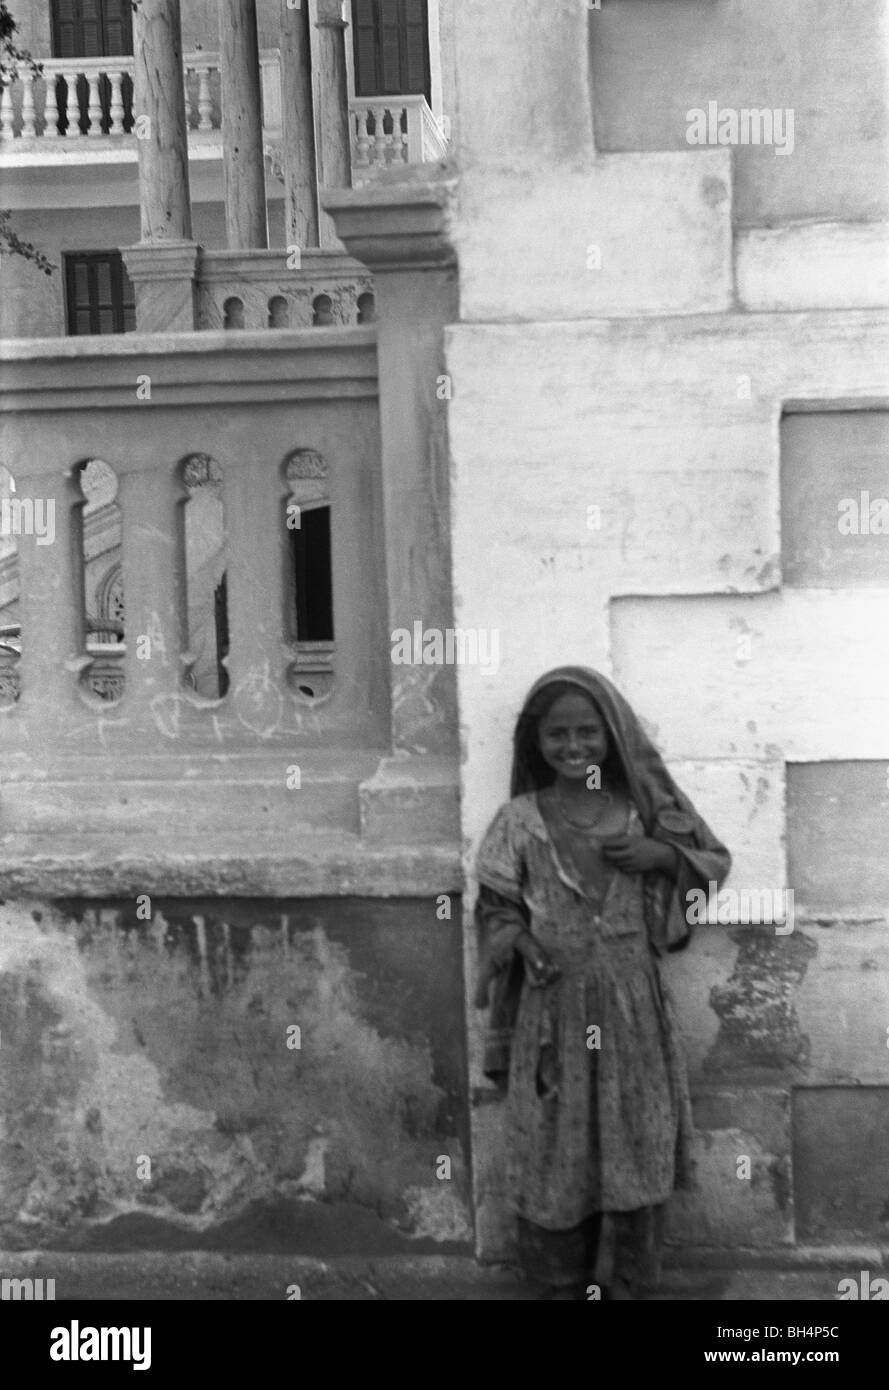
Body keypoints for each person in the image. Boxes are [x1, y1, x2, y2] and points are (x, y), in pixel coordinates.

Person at [474, 666, 731, 1300]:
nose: (573, 747)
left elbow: (712, 862)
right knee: (554, 1145)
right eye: (557, 734)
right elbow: (496, 907)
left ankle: (628, 1285)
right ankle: (559, 1284)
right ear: (536, 742)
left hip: (631, 1008)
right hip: (552, 1009)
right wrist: (525, 945)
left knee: (635, 1137)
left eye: (587, 732)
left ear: (612, 736)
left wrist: (664, 858)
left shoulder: (647, 817)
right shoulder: (518, 822)